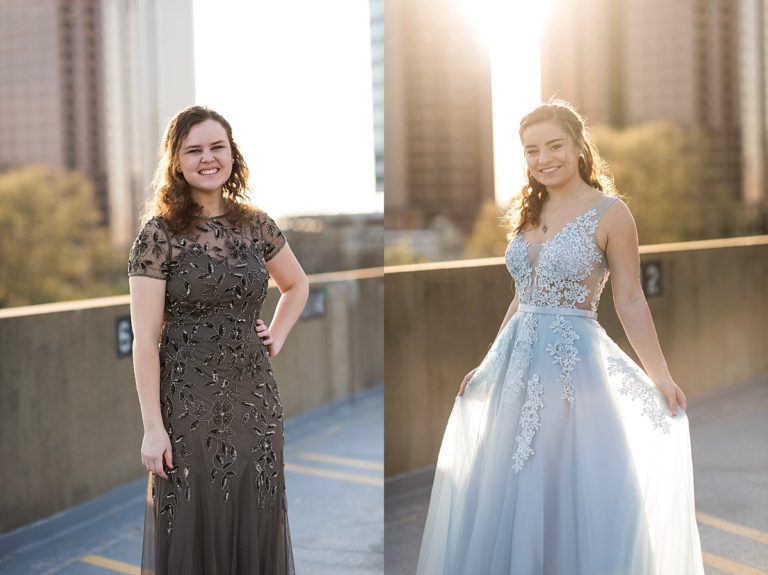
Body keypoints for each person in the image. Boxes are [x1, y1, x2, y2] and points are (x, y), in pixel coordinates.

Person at [416, 100, 705, 574]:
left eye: (554, 146)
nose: (544, 159)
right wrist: (487, 363)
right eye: (532, 151)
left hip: (572, 370)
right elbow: (521, 296)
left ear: (578, 146)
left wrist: (662, 375)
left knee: (565, 484)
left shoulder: (611, 214)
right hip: (514, 368)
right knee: (507, 486)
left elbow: (630, 298)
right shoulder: (528, 209)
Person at [128, 106, 308, 574]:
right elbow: (144, 340)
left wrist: (276, 335)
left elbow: (296, 285)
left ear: (232, 154)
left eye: (217, 147)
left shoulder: (257, 224)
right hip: (187, 408)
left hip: (256, 403)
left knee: (256, 519)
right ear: (176, 161)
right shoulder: (159, 236)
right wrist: (152, 428)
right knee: (193, 526)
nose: (207, 158)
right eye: (194, 150)